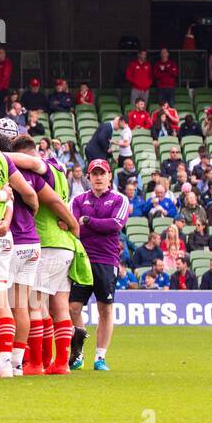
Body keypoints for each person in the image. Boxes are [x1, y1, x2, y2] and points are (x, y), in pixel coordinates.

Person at [67, 159, 130, 372]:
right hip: (82, 260)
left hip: (106, 260)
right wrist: (85, 223)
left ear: (110, 176)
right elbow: (71, 225)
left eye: (102, 173)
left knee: (105, 308)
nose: (99, 177)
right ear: (88, 177)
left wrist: (87, 221)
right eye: (95, 174)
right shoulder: (78, 199)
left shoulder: (120, 199)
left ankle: (100, 357)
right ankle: (78, 351)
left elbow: (115, 225)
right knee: (73, 308)